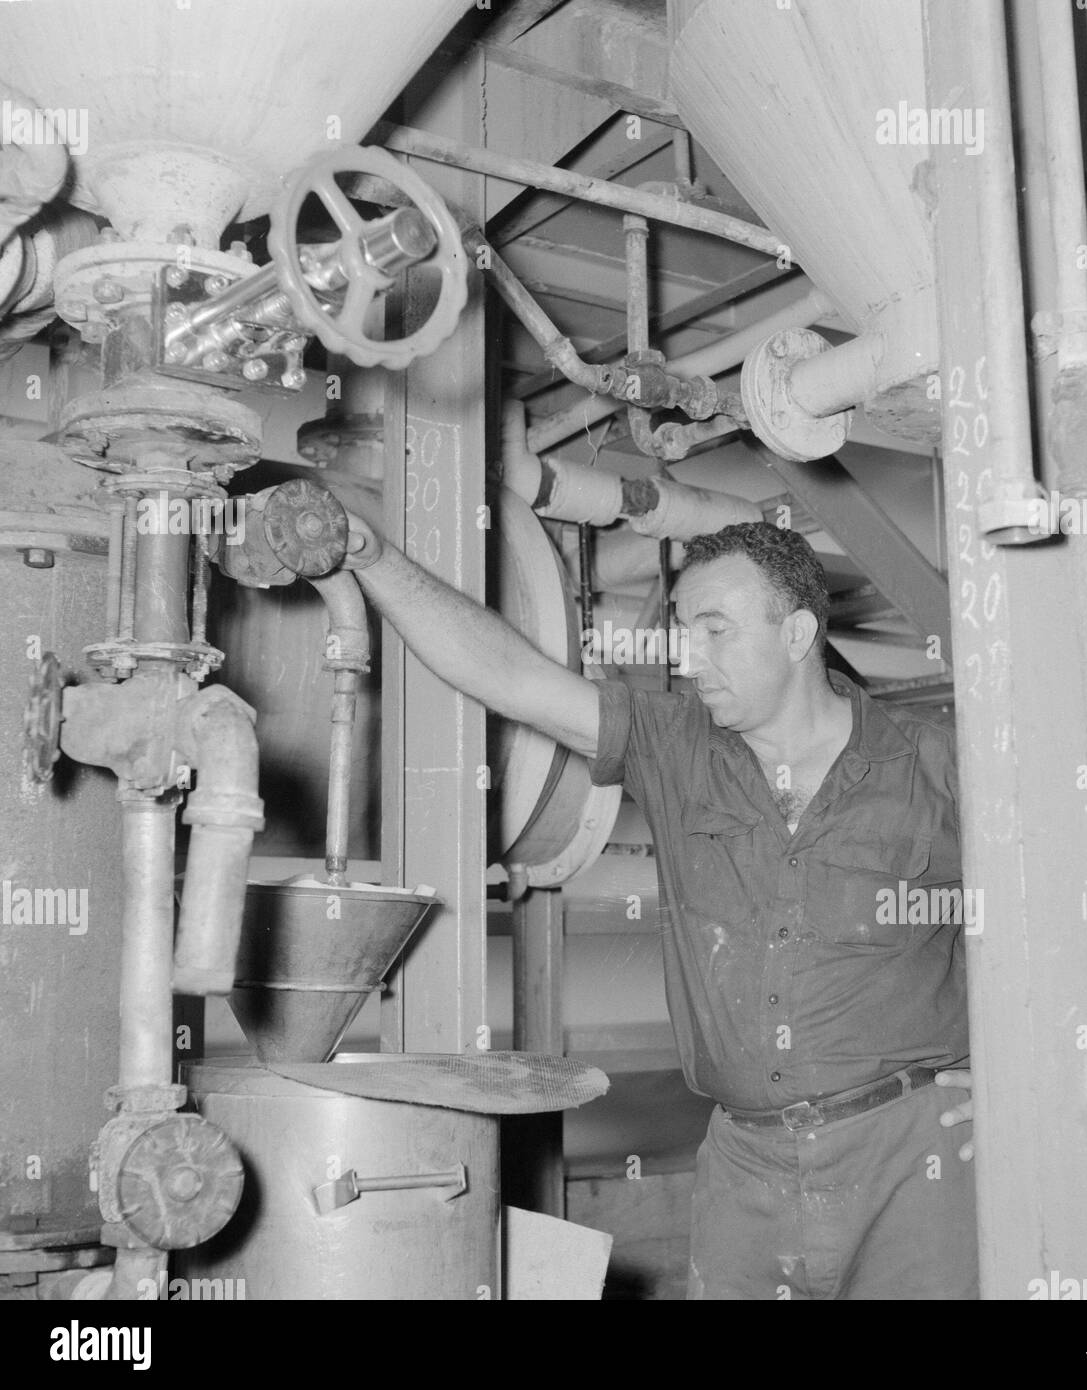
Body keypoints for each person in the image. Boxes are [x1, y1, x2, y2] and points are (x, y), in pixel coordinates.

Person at [343, 514, 976, 1300]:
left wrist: (1016, 1081)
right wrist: (376, 561)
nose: (688, 657)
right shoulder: (674, 747)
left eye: (715, 630)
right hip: (748, 1168)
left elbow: (1054, 929)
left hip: (911, 1158)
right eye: (683, 630)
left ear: (797, 632)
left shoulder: (940, 766)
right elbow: (509, 677)